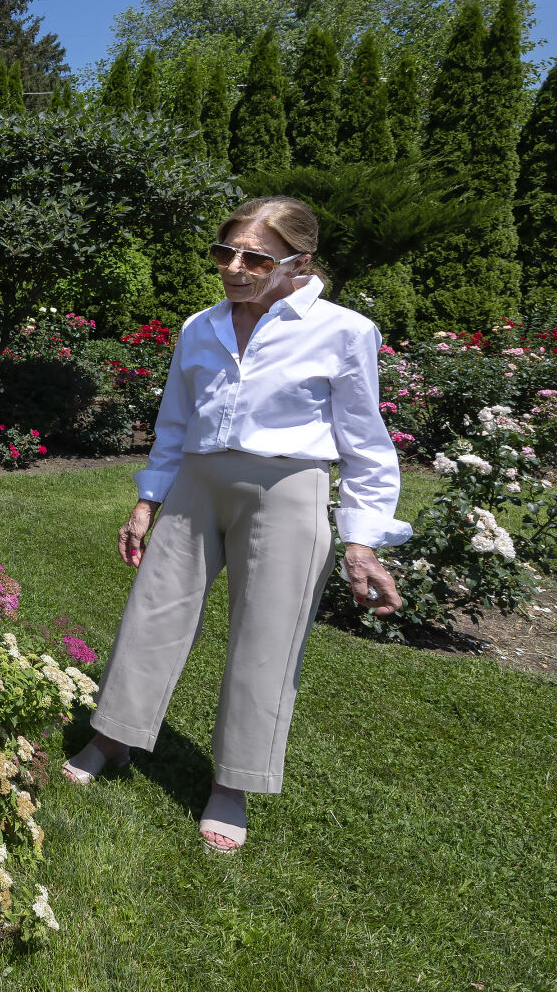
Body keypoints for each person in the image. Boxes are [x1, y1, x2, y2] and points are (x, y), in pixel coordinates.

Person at [61, 195, 408, 854]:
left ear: (298, 262)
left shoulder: (343, 331)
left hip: (288, 489)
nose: (235, 267)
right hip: (197, 481)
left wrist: (362, 543)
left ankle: (234, 782)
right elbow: (174, 423)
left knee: (266, 641)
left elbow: (365, 443)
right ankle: (113, 735)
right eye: (226, 252)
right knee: (151, 614)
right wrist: (148, 499)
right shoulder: (201, 326)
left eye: (255, 257)